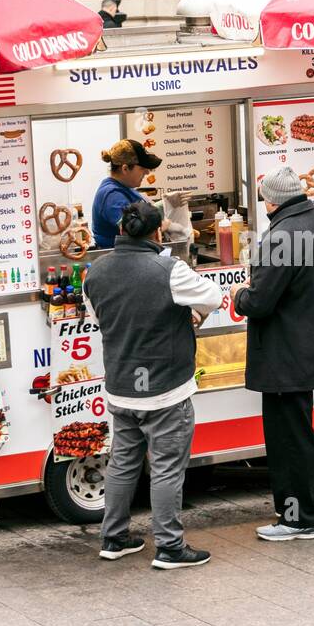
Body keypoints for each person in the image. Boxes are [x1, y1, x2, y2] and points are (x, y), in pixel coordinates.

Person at [83, 199, 222, 570]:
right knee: (166, 468)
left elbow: (99, 318)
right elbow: (214, 297)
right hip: (165, 387)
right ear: (158, 232)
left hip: (121, 385)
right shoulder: (169, 269)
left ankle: (113, 538)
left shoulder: (94, 273)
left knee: (123, 463)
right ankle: (169, 547)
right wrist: (187, 314)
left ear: (122, 230)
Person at [229, 166, 314, 541]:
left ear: (271, 200)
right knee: (300, 430)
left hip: (285, 354)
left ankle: (298, 519)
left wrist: (239, 295)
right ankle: (309, 498)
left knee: (286, 438)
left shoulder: (281, 236)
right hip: (313, 344)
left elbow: (260, 302)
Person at [91, 139, 161, 249]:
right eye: (142, 168)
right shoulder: (112, 196)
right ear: (125, 168)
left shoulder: (126, 188)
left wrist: (165, 204)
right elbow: (136, 229)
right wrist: (163, 222)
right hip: (119, 260)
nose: (147, 172)